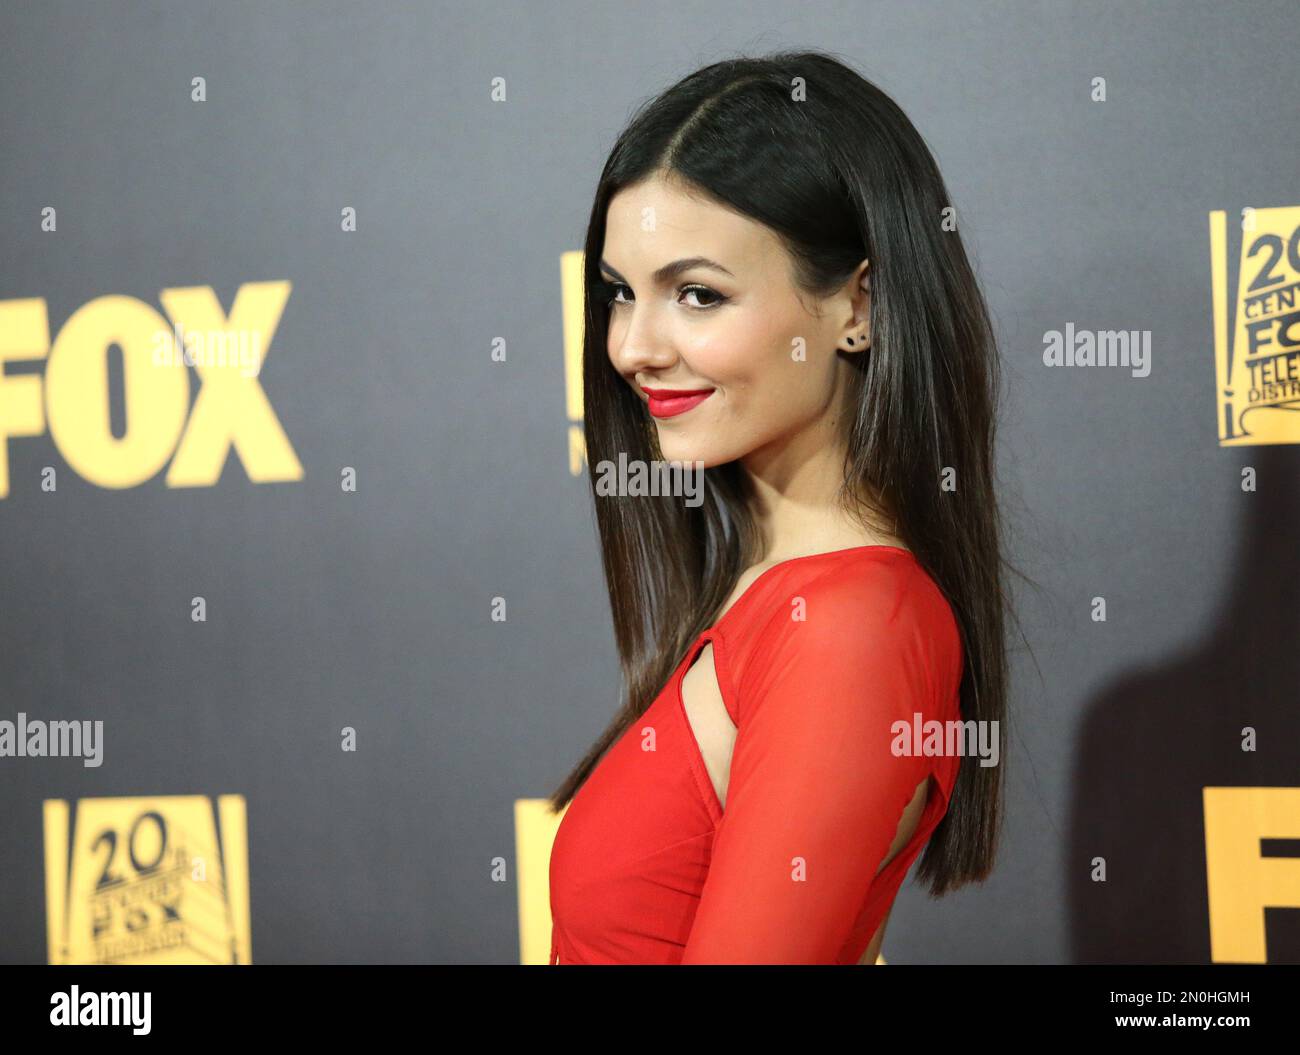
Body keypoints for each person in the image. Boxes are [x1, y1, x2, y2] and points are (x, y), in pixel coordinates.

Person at [547, 48, 1009, 965]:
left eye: (697, 294)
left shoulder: (851, 628)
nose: (634, 347)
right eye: (618, 295)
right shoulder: (768, 589)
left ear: (858, 308)